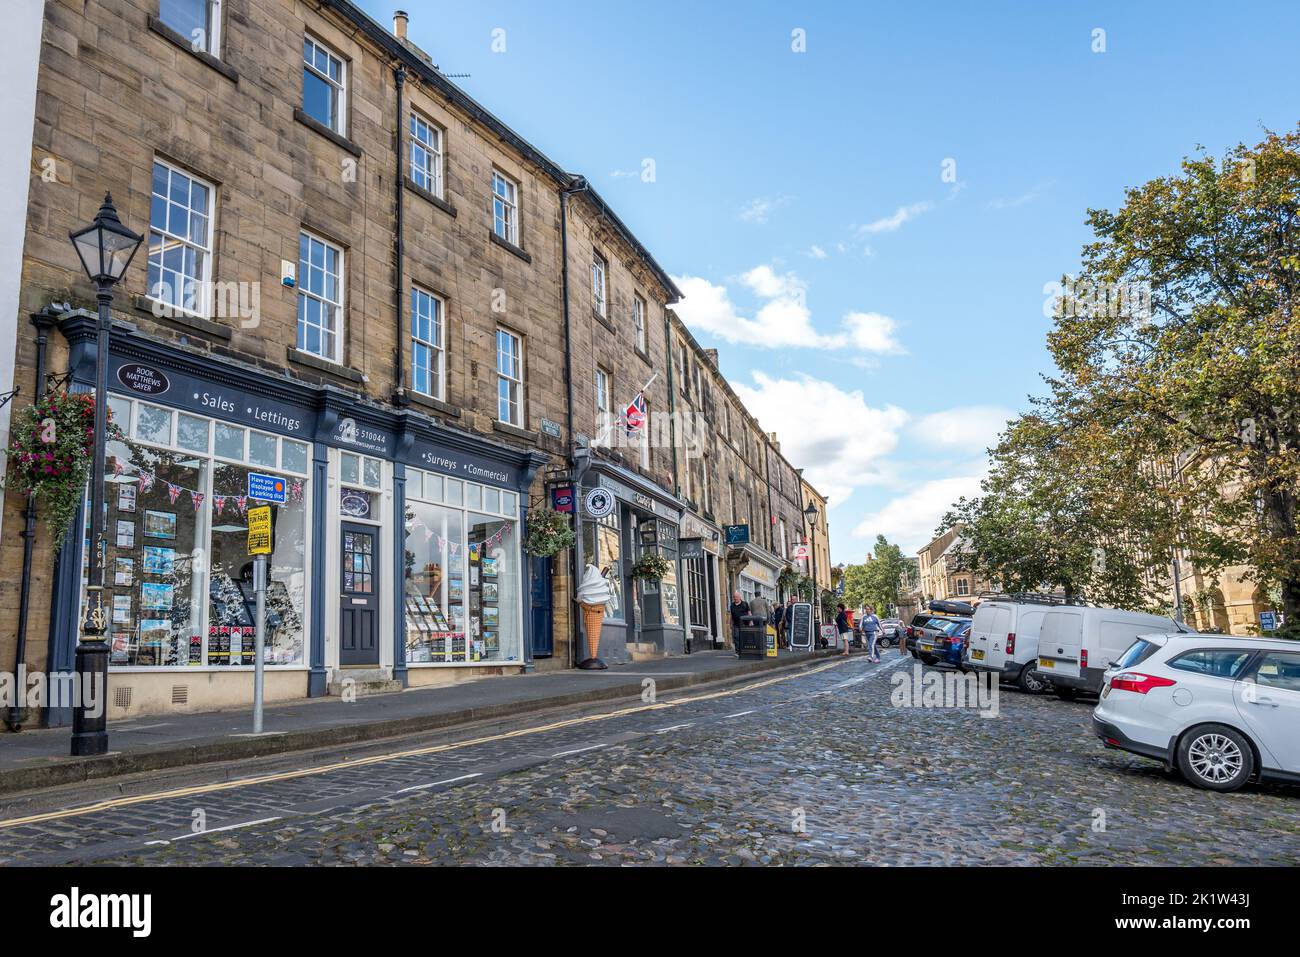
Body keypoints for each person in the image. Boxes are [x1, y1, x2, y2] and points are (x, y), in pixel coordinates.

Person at [729, 591, 750, 656]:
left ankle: (744, 650)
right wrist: (730, 623)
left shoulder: (745, 604)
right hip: (736, 624)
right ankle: (737, 652)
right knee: (736, 637)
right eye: (734, 597)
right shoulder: (732, 605)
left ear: (740, 597)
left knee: (744, 637)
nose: (735, 598)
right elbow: (731, 615)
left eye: (737, 597)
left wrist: (751, 621)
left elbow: (749, 613)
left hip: (744, 624)